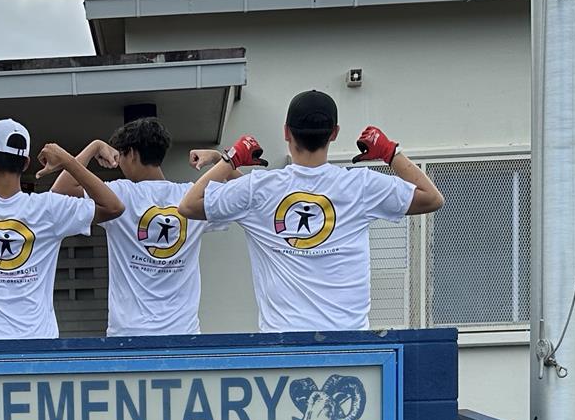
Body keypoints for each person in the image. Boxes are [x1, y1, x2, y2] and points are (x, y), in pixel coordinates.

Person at [178, 90, 444, 332]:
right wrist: (390, 152)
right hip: (352, 345)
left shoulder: (259, 189)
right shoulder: (360, 185)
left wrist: (228, 159)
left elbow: (189, 205)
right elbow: (431, 198)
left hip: (284, 346)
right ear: (335, 133)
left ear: (286, 132)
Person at [0, 119, 123, 340]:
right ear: (26, 163)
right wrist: (67, 161)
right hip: (41, 345)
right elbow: (113, 207)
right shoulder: (48, 208)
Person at [51, 117, 219, 336]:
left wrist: (94, 148)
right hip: (183, 332)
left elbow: (59, 191)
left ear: (131, 153)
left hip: (128, 333)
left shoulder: (121, 194)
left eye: (120, 154)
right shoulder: (190, 196)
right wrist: (218, 158)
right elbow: (244, 198)